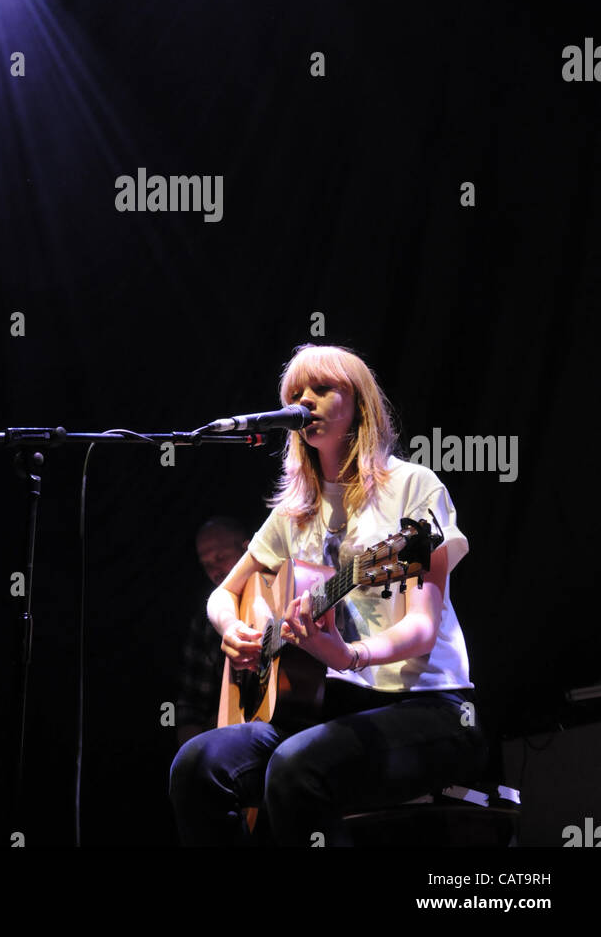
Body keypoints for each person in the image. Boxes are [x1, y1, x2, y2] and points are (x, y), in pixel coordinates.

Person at [170, 344, 488, 846]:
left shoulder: (413, 487)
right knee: (197, 764)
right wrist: (234, 629)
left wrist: (350, 654)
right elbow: (220, 597)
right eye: (296, 394)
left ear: (359, 404)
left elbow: (423, 628)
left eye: (322, 389)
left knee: (297, 768)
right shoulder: (294, 512)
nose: (306, 401)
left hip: (429, 708)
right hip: (330, 709)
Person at [177, 518, 249, 746]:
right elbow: (188, 706)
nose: (214, 570)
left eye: (220, 558)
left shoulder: (282, 591)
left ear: (248, 549)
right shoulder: (205, 621)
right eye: (206, 564)